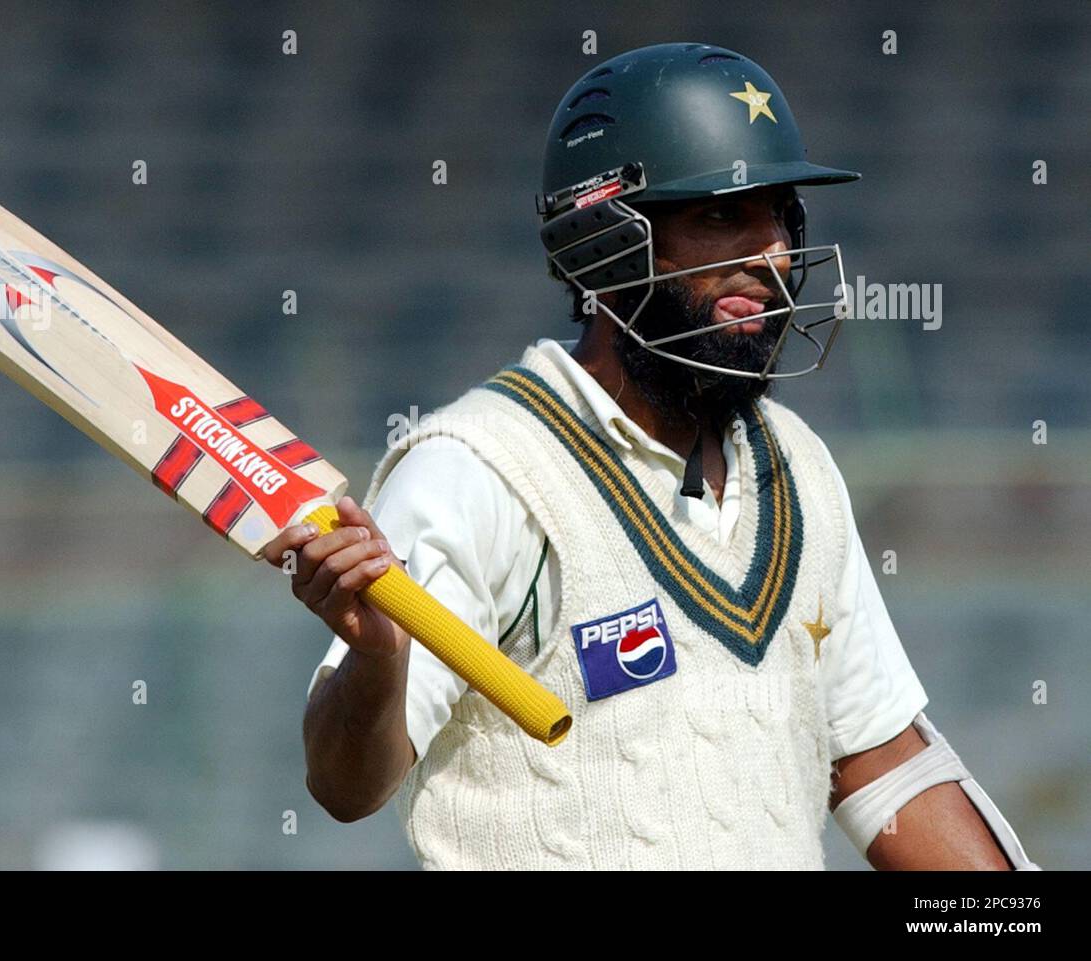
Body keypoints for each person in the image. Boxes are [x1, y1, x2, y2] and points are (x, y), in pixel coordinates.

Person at [264, 43, 1039, 870]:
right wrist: (381, 664)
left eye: (780, 213)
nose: (772, 253)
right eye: (718, 215)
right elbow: (348, 784)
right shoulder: (479, 469)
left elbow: (885, 769)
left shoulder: (798, 469)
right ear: (604, 241)